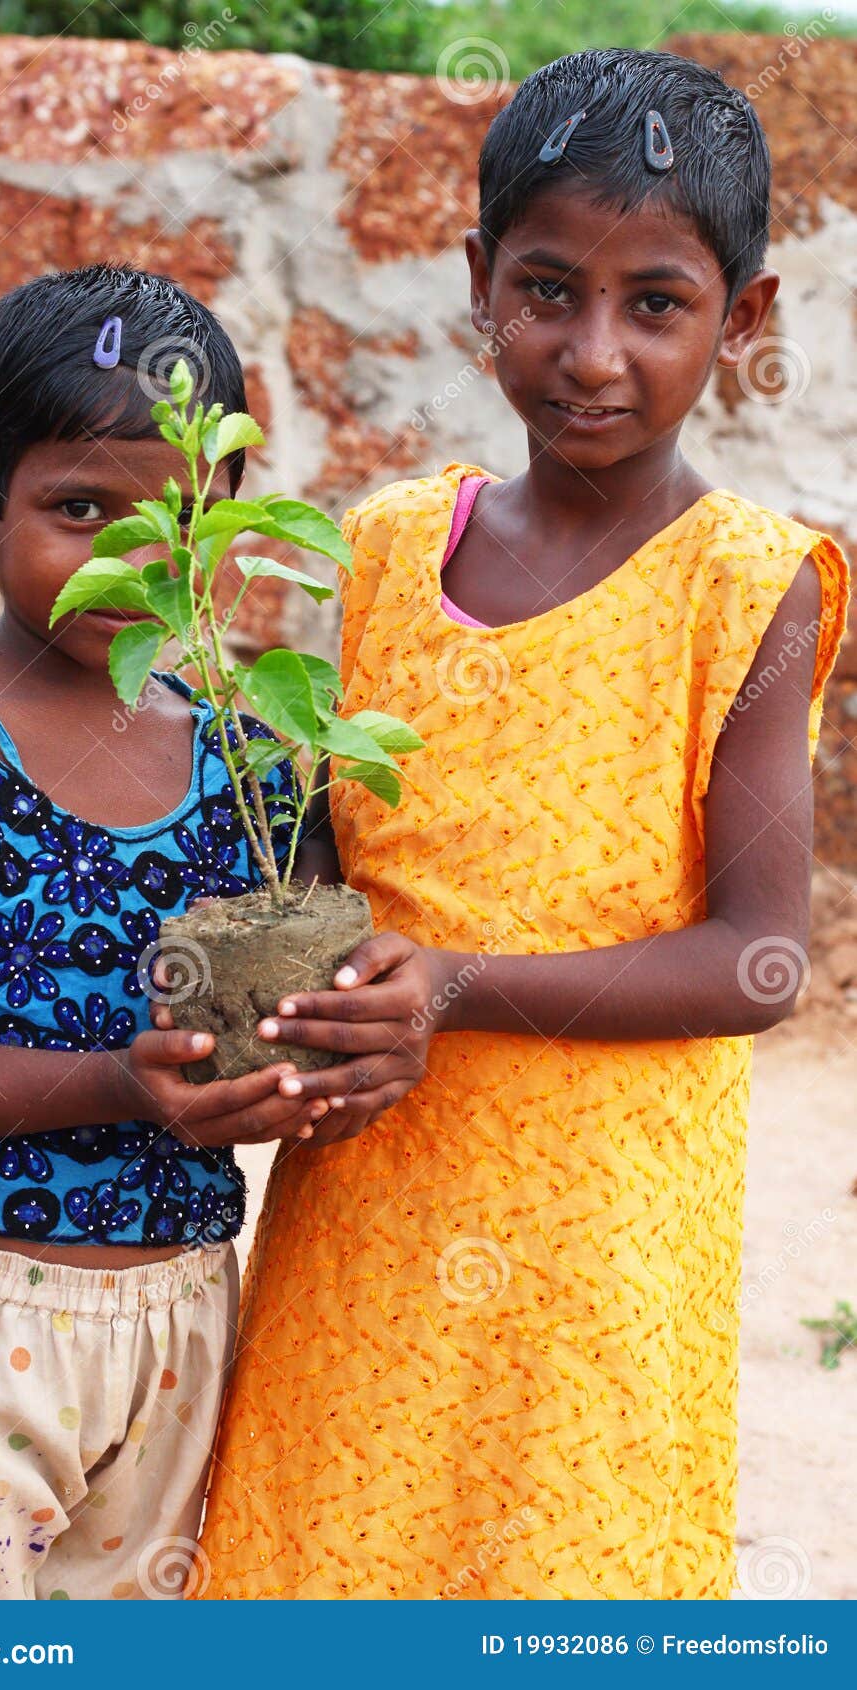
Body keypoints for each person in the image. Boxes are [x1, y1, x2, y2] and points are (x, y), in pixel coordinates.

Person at [194, 49, 850, 1599]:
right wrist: (274, 1028)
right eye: (548, 290)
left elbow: (760, 962)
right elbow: (316, 871)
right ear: (481, 284)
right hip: (368, 1204)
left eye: (659, 304)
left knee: (556, 1582)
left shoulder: (749, 588)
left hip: (600, 1253)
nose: (594, 352)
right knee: (316, 1571)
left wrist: (456, 987)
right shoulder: (379, 551)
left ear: (742, 323)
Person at [0, 263, 331, 1601]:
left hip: (182, 1321)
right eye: (80, 508)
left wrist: (302, 1074)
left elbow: (298, 1016)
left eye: (178, 524)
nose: (131, 564)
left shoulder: (257, 767)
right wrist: (113, 1083)